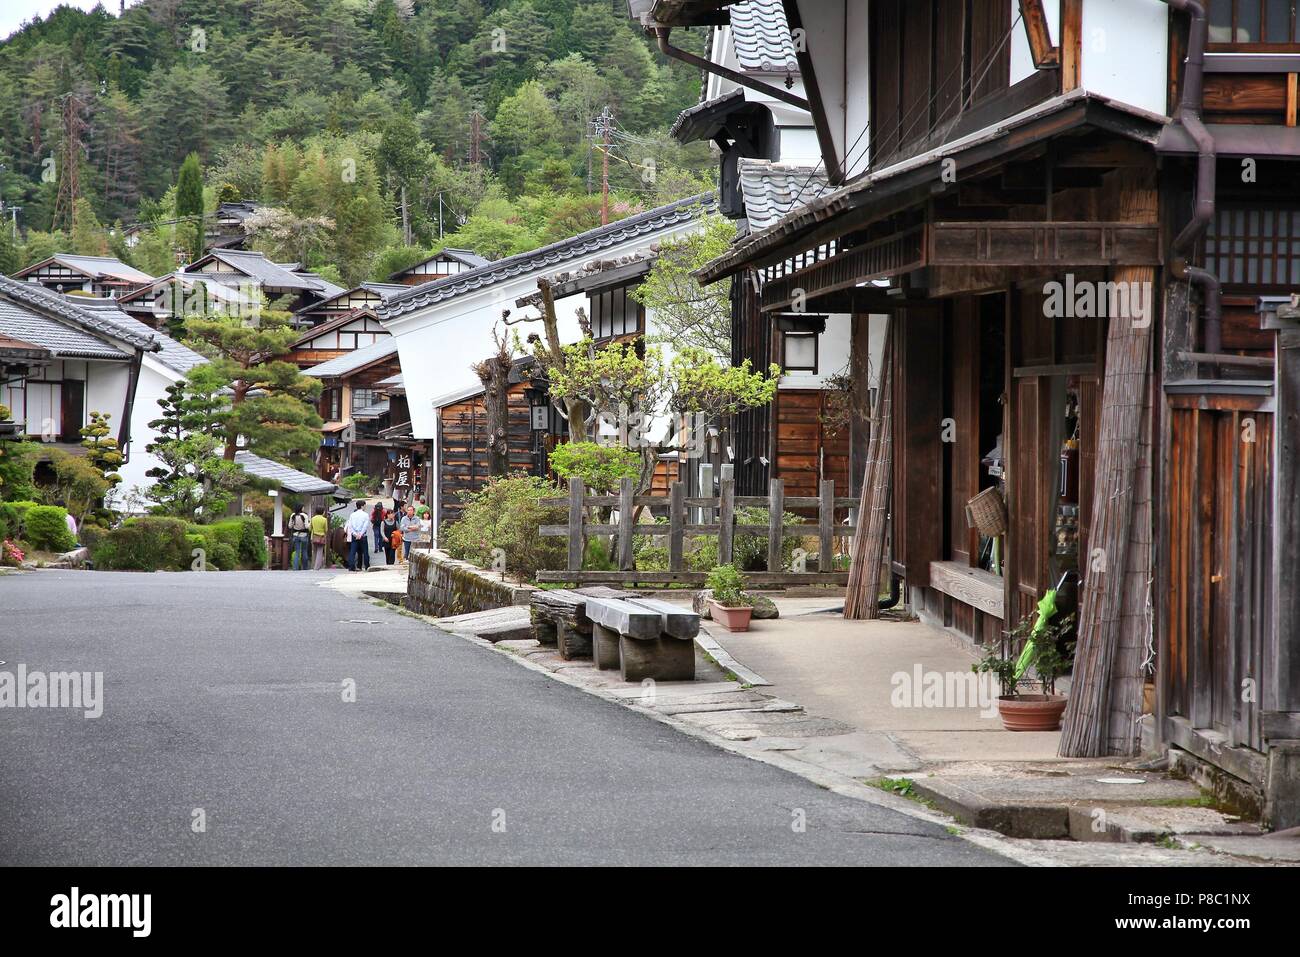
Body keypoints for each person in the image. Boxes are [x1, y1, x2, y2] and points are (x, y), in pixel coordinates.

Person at [345, 500, 371, 571]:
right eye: (365, 505)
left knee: (352, 551)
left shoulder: (352, 515)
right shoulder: (365, 515)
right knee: (365, 551)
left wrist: (355, 534)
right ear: (362, 506)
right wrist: (361, 534)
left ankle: (351, 566)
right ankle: (367, 566)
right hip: (363, 536)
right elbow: (365, 526)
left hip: (354, 535)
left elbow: (350, 526)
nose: (365, 507)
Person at [288, 502, 311, 570]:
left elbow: (290, 526)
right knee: (304, 551)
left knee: (297, 552)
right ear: (301, 508)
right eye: (303, 507)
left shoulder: (293, 515)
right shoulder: (304, 516)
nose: (303, 508)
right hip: (304, 535)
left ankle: (295, 568)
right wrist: (310, 524)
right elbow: (307, 526)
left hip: (295, 535)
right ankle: (305, 567)